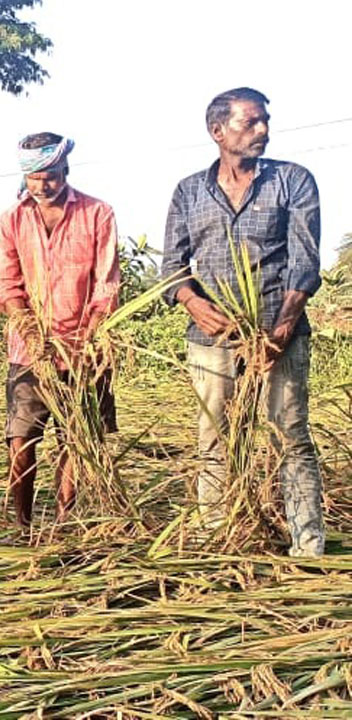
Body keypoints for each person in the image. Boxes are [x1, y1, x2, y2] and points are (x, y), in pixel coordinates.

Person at [161, 87, 324, 557]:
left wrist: (280, 331)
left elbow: (304, 264)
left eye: (265, 121)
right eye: (250, 122)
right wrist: (193, 303)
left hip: (279, 332)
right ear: (217, 131)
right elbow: (172, 267)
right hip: (211, 338)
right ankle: (220, 537)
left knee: (289, 435)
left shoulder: (293, 181)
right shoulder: (190, 191)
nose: (263, 131)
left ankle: (307, 544)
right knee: (215, 438)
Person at [0, 132, 120, 527]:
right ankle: (22, 524)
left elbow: (107, 285)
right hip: (28, 352)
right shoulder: (12, 219)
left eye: (49, 176)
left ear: (65, 169)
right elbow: (8, 286)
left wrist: (89, 340)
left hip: (86, 351)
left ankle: (64, 523)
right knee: (21, 439)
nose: (41, 186)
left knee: (76, 439)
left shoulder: (98, 214)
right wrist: (35, 338)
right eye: (33, 178)